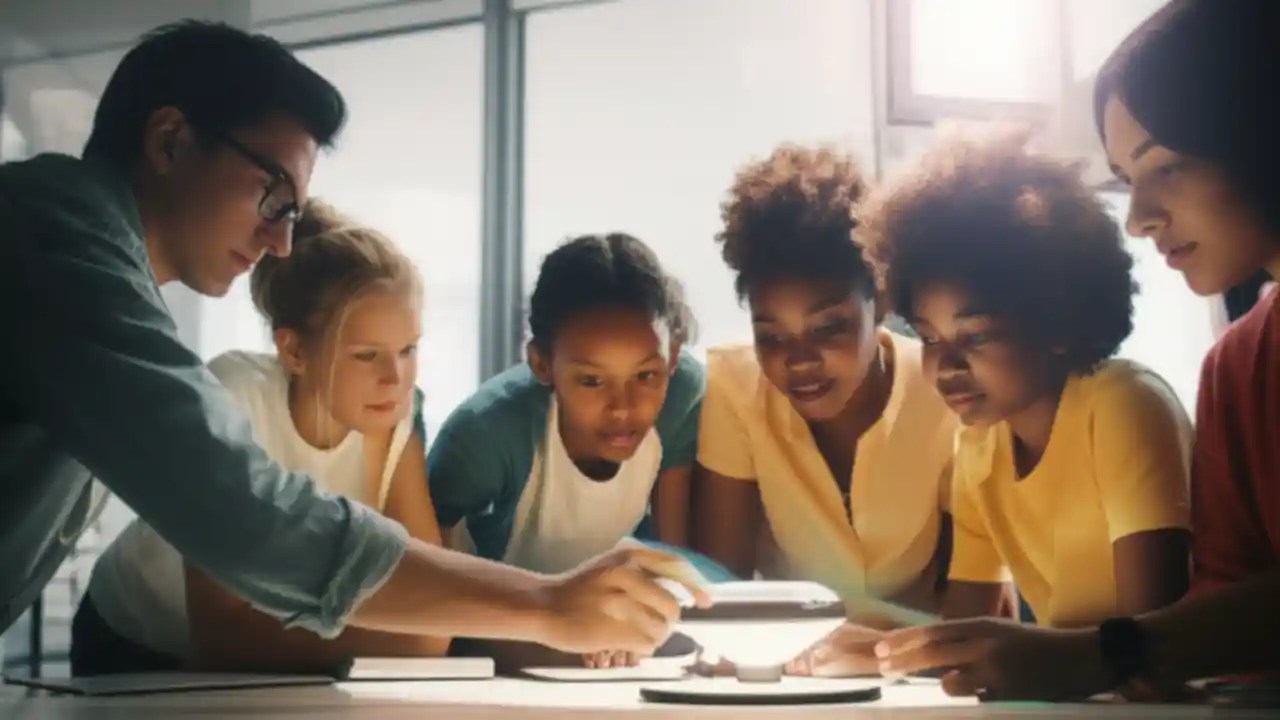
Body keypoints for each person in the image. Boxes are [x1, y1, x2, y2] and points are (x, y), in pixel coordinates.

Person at [0, 21, 703, 661]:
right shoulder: (54, 241)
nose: (281, 242)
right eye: (274, 196)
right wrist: (547, 605)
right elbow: (247, 514)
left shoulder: (82, 253)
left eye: (293, 213)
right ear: (170, 141)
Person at [874, 0, 1280, 700]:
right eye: (1127, 179)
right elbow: (1222, 616)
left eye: (1166, 166)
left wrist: (1102, 656)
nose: (1138, 217)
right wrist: (889, 651)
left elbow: (1167, 636)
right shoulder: (1235, 366)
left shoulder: (1126, 403)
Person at [72, 200, 450, 675]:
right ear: (293, 351)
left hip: (274, 646)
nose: (395, 378)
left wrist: (419, 634)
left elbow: (433, 609)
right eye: (366, 355)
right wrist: (408, 638)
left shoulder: (394, 414)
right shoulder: (234, 393)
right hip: (134, 638)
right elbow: (222, 637)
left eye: (407, 349)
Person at [693, 145, 960, 676]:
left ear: (880, 301)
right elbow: (718, 597)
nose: (799, 360)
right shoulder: (734, 386)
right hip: (789, 675)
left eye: (828, 327)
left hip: (921, 687)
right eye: (771, 335)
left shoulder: (946, 394)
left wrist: (876, 653)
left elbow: (980, 623)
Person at [428, 233, 723, 670]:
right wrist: (560, 642)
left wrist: (640, 628)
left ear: (673, 357)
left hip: (612, 647)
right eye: (591, 381)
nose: (622, 408)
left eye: (646, 375)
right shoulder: (485, 434)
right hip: (497, 641)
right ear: (542, 364)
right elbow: (427, 597)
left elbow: (672, 562)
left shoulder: (679, 397)